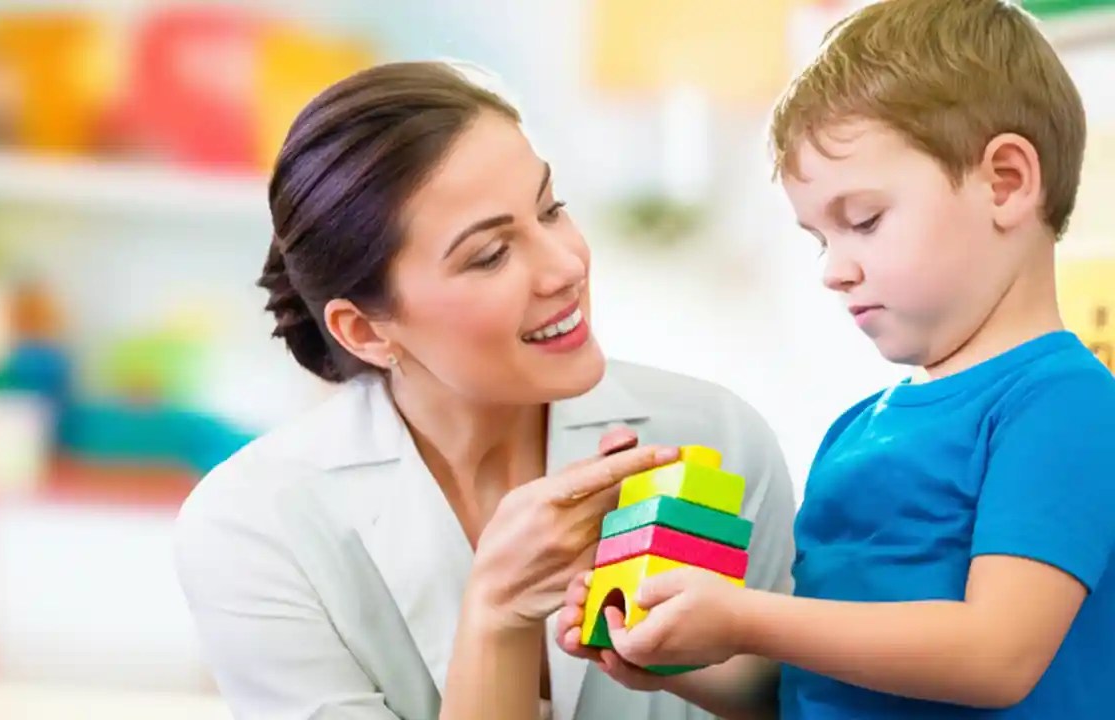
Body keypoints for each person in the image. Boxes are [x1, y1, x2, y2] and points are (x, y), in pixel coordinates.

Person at [172, 61, 797, 720]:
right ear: (365, 330)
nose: (566, 266)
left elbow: (800, 702)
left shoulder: (716, 437)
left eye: (550, 208)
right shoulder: (254, 528)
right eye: (491, 255)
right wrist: (499, 610)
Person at [556, 1, 1115, 718]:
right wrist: (672, 659)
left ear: (1005, 181)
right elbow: (805, 684)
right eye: (820, 239)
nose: (833, 270)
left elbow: (995, 654)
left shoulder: (1063, 403)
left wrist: (742, 616)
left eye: (863, 222)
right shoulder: (857, 430)